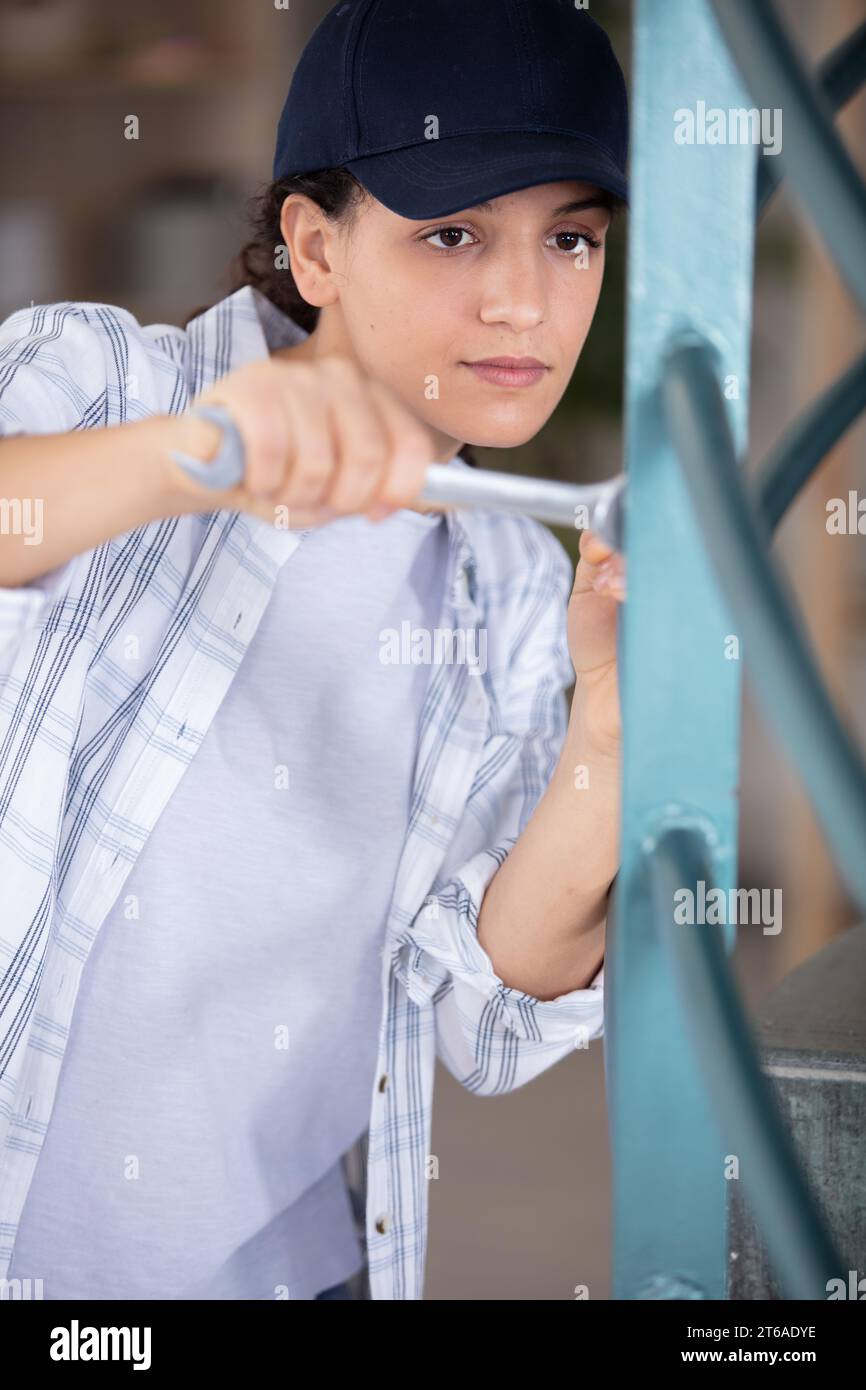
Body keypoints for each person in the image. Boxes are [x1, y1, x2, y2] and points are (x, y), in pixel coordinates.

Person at [0, 0, 628, 1301]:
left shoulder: (514, 584)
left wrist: (611, 731)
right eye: (452, 232)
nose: (524, 298)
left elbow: (488, 1016)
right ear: (313, 244)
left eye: (571, 237)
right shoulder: (100, 380)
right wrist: (201, 452)